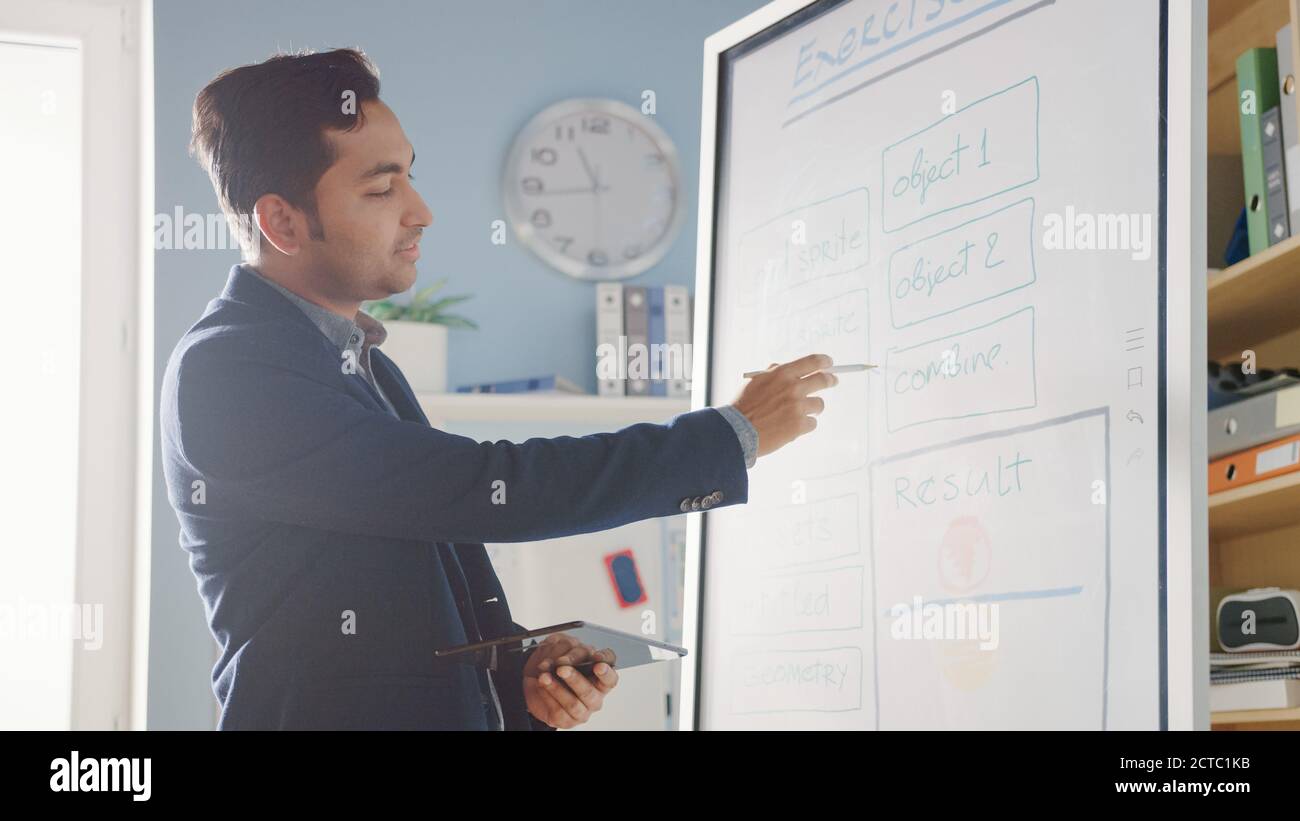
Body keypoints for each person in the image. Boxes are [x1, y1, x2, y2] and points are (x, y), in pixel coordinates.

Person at [161, 47, 837, 730]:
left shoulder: (368, 366)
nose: (420, 211)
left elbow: (413, 582)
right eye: (381, 188)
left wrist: (518, 676)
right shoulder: (227, 371)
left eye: (411, 178)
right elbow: (479, 486)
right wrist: (729, 436)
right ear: (281, 222)